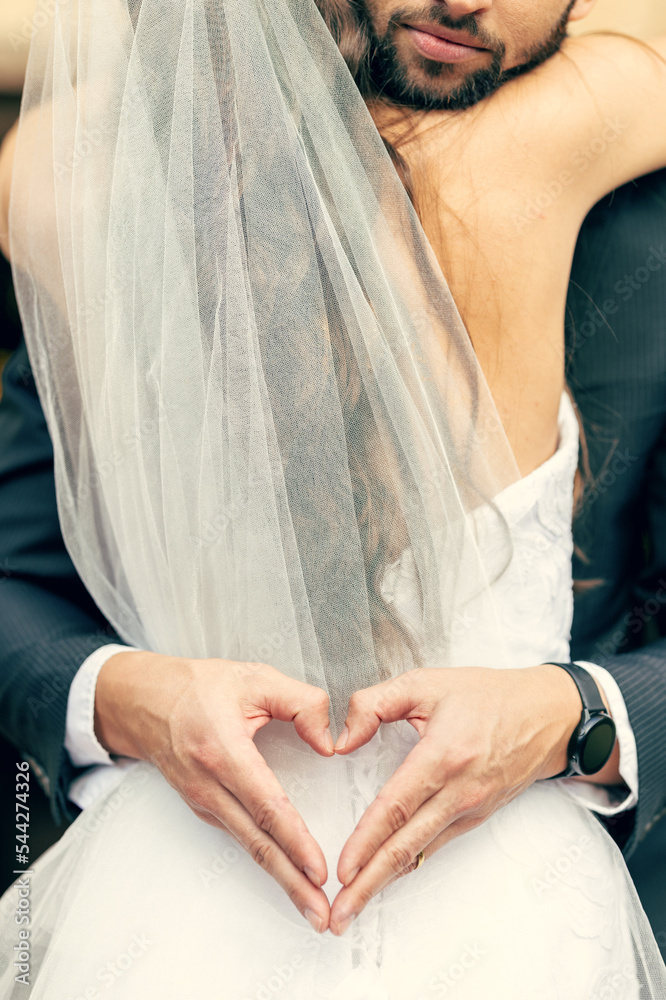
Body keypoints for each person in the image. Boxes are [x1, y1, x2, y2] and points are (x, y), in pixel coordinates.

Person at [0, 0, 665, 996]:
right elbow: (17, 573)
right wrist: (125, 699)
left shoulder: (59, 171)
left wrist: (574, 713)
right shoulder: (564, 136)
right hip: (252, 893)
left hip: (198, 910)